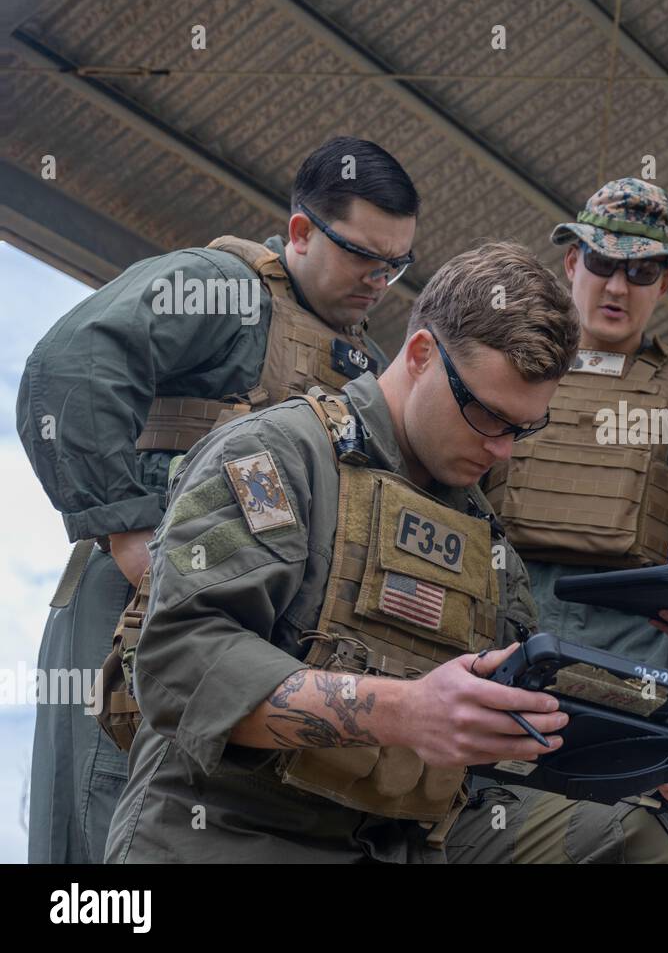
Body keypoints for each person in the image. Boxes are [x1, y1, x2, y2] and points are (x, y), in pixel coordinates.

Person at [102, 241, 668, 862]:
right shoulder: (275, 457)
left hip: (405, 839)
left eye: (524, 429)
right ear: (418, 354)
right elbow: (179, 666)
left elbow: (506, 742)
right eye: (489, 416)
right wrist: (404, 712)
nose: (503, 451)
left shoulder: (484, 537)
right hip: (235, 831)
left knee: (639, 837)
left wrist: (638, 765)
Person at [18, 136, 418, 863]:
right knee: (102, 831)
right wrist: (131, 534)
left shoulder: (369, 368)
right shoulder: (223, 289)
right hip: (131, 617)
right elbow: (69, 370)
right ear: (300, 231)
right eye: (363, 254)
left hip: (245, 645)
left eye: (397, 264)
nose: (379, 280)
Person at [445, 179, 668, 864]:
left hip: (625, 730)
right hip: (488, 706)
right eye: (601, 263)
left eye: (643, 270)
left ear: (667, 284)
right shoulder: (501, 380)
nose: (617, 286)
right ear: (571, 264)